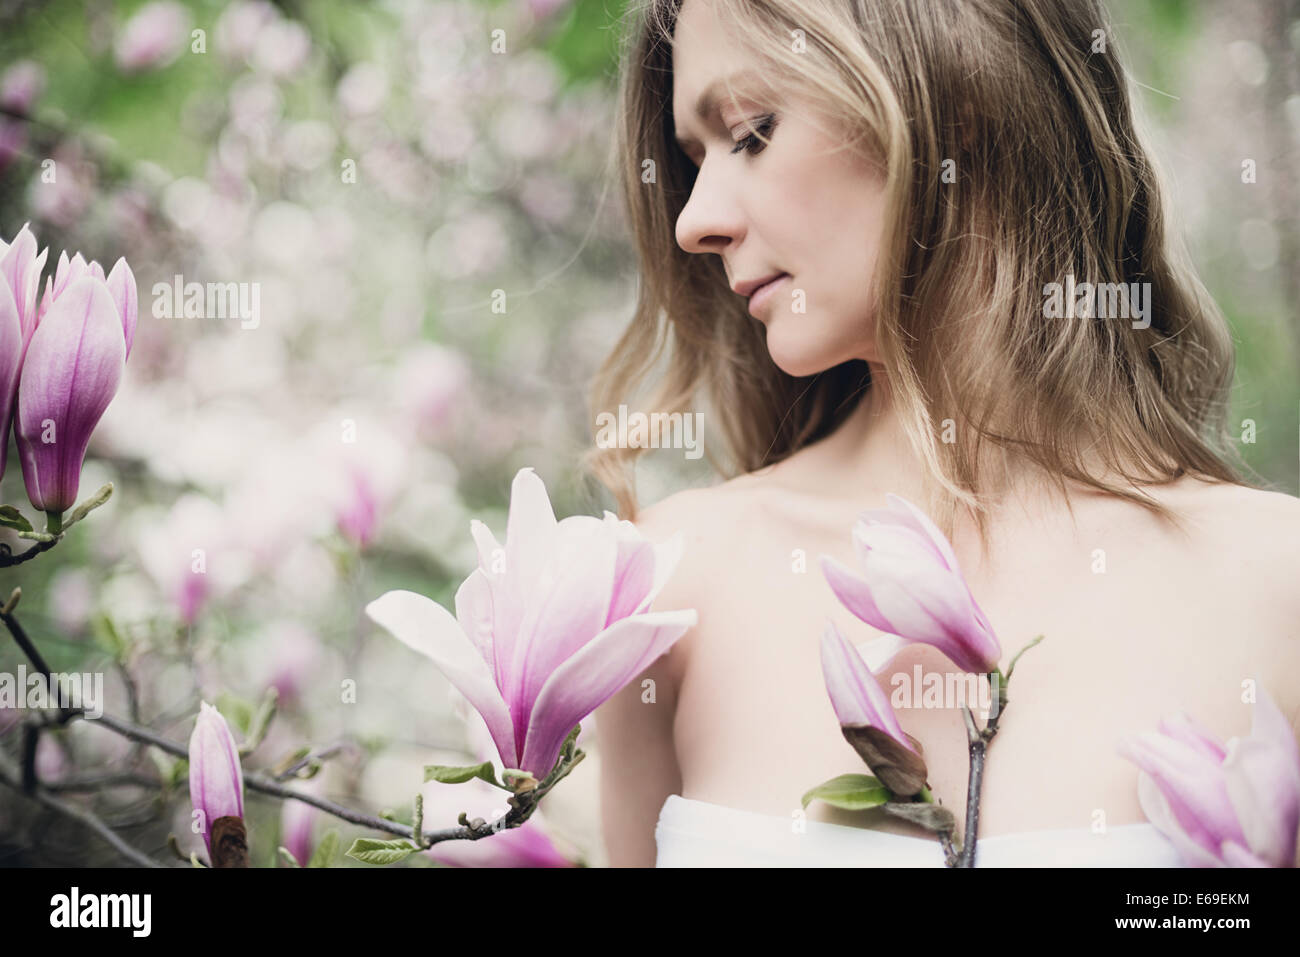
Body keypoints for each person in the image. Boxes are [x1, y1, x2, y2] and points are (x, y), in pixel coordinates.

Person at [588, 0, 1300, 867]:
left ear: (960, 95)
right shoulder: (669, 583)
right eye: (694, 161)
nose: (692, 220)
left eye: (750, 131)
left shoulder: (1275, 586)